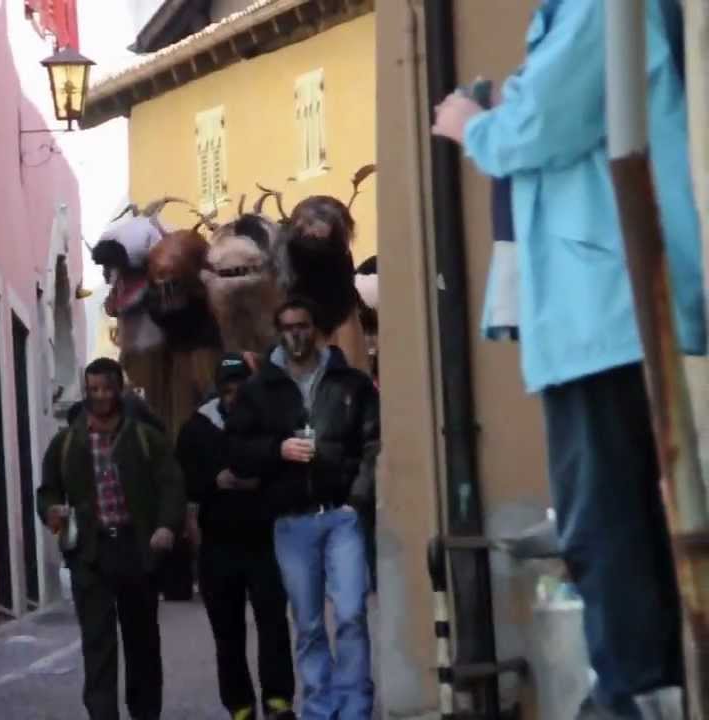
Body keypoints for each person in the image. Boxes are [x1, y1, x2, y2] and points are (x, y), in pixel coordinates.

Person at [432, 1, 702, 716]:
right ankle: (636, 690)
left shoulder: (598, 7)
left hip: (604, 312)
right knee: (621, 522)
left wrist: (472, 125)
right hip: (605, 308)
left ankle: (631, 696)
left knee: (606, 524)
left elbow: (542, 125)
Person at [225, 297, 379, 720]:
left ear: (317, 329)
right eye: (288, 326)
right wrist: (276, 449)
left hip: (341, 515)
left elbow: (373, 443)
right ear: (279, 332)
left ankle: (354, 708)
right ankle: (319, 707)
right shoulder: (259, 391)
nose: (296, 334)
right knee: (309, 623)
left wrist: (357, 499)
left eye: (304, 325)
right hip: (291, 522)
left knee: (350, 613)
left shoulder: (350, 383)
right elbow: (235, 451)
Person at [37, 357, 186, 720]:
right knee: (97, 646)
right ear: (86, 392)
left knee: (142, 645)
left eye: (106, 388)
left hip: (136, 551)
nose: (100, 396)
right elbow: (47, 491)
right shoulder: (67, 442)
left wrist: (166, 525)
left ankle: (145, 713)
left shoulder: (144, 437)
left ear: (119, 390)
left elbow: (171, 485)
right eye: (93, 390)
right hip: (91, 554)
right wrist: (53, 510)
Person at [177, 352, 297, 720]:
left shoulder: (271, 422)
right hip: (219, 545)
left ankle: (278, 702)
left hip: (266, 539)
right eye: (228, 390)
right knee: (227, 632)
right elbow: (184, 482)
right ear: (218, 389)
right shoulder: (197, 427)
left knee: (274, 624)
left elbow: (289, 469)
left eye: (240, 389)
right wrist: (215, 481)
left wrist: (262, 479)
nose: (234, 396)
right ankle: (240, 707)